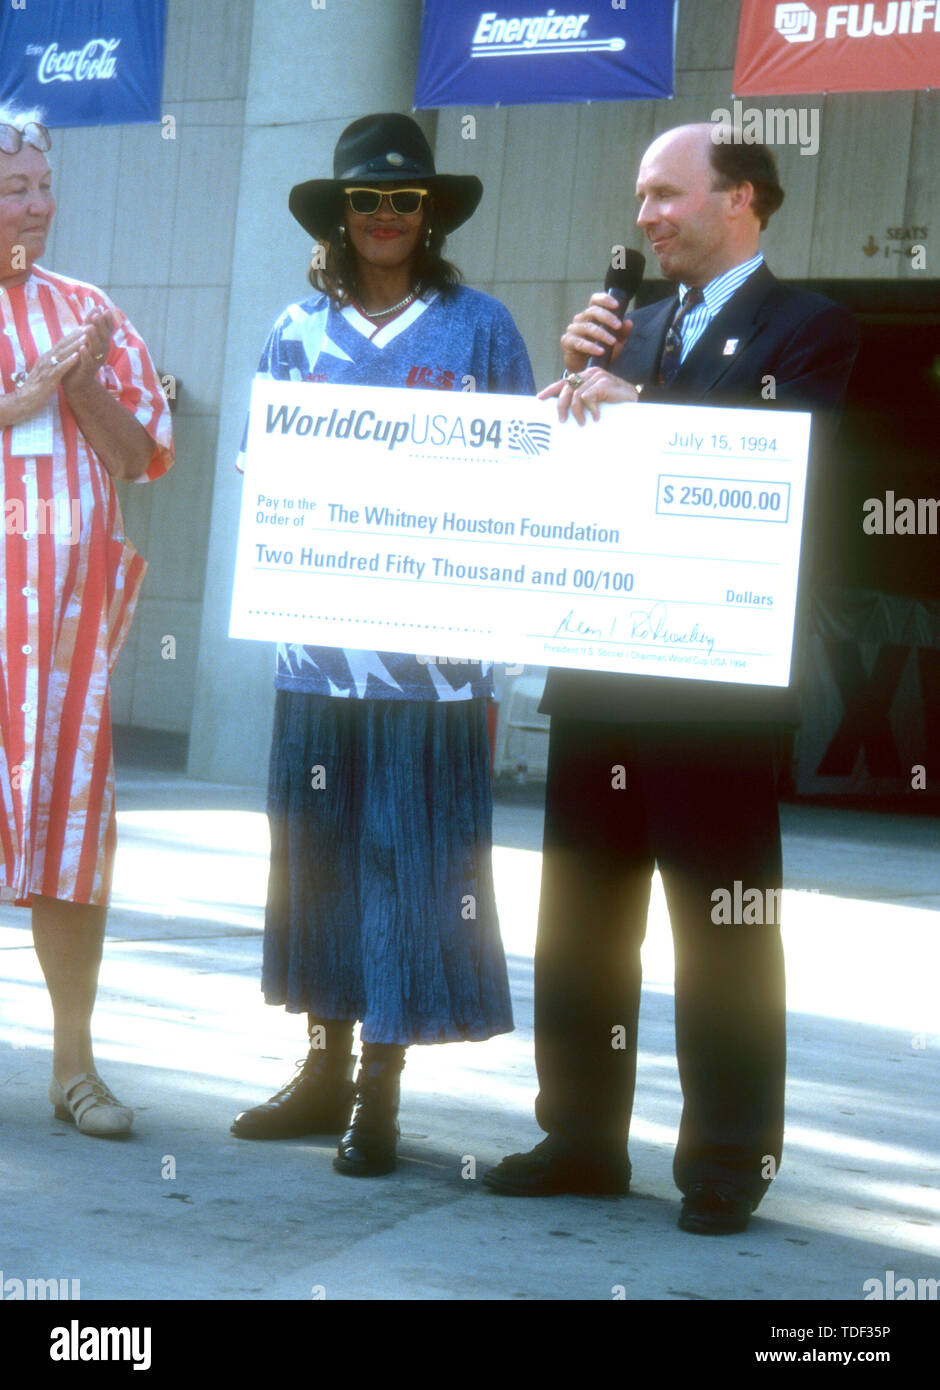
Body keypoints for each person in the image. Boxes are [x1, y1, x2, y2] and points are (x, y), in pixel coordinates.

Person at [482, 123, 858, 1232]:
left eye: (664, 195)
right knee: (583, 923)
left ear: (740, 198)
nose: (643, 217)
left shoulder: (811, 326)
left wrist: (644, 413)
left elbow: (800, 458)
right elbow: (588, 496)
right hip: (603, 677)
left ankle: (727, 1157)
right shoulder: (626, 332)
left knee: (724, 928)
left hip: (717, 694)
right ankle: (581, 1135)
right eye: (638, 199)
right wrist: (573, 392)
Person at [230, 113, 534, 1176]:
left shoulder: (480, 329)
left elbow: (527, 480)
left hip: (433, 667)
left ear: (431, 212)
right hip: (318, 655)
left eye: (406, 199)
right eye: (368, 199)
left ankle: (380, 1090)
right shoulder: (291, 333)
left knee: (407, 861)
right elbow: (258, 471)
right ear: (339, 213)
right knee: (315, 860)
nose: (387, 216)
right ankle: (320, 1069)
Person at [0, 107, 174, 1136]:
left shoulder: (88, 309)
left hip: (64, 646)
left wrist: (78, 384)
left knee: (70, 839)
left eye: (40, 187)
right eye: (14, 188)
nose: (35, 205)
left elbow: (144, 456)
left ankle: (74, 1066)